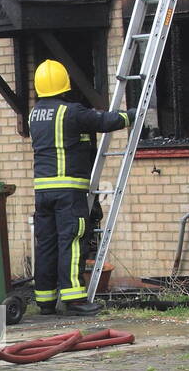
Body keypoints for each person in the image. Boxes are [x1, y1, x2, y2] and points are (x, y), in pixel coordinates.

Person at [29, 60, 134, 317]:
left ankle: (45, 299)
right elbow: (104, 121)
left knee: (47, 244)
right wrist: (132, 115)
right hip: (69, 190)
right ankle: (75, 298)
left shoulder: (35, 114)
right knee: (72, 240)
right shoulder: (70, 111)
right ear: (64, 84)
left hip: (43, 191)